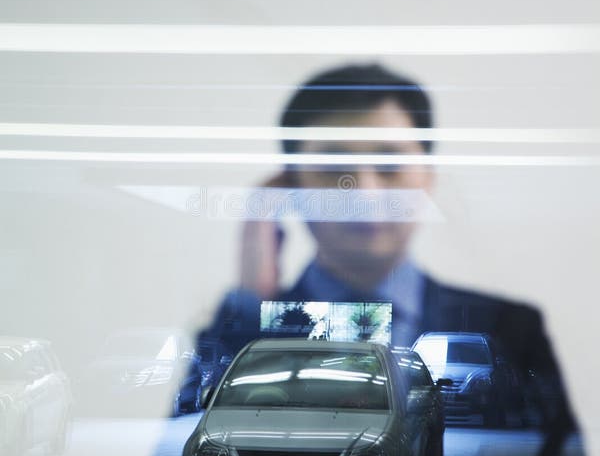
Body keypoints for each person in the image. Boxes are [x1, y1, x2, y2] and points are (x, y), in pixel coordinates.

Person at [177, 62, 568, 423]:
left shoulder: (515, 327)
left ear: (429, 179)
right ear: (292, 187)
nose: (363, 195)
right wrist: (253, 296)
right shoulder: (240, 325)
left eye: (389, 166)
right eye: (333, 169)